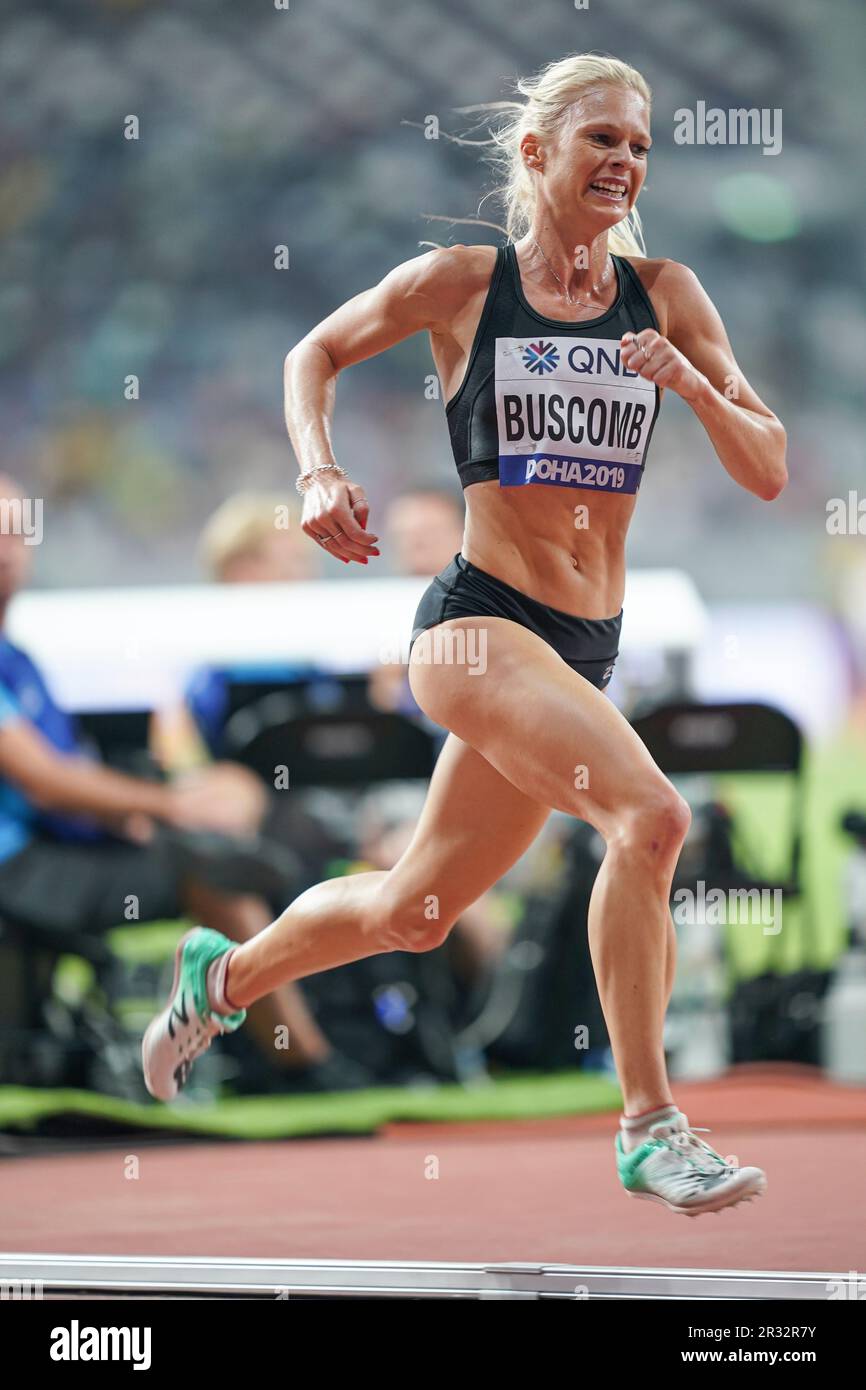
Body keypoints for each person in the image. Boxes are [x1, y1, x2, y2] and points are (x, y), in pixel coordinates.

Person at [143, 54, 787, 1216]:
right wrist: (317, 470)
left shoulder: (666, 296)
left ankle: (219, 974)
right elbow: (313, 354)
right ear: (535, 152)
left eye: (639, 146)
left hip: (580, 646)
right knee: (649, 816)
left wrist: (689, 383)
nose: (624, 163)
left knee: (415, 909)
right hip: (475, 629)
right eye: (601, 139)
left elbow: (768, 467)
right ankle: (647, 1123)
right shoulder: (461, 281)